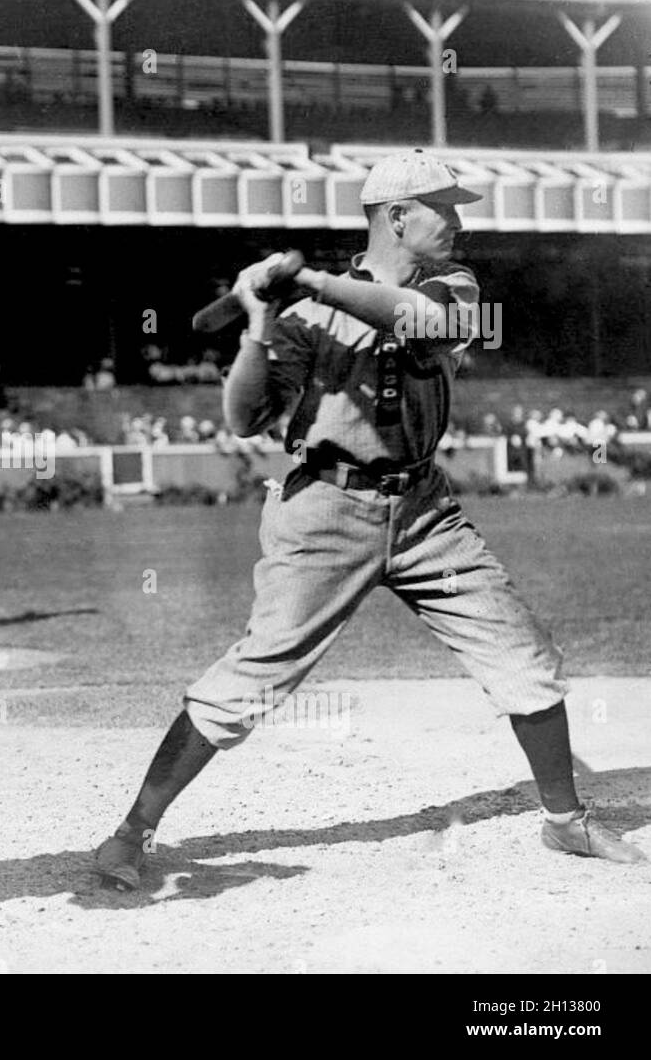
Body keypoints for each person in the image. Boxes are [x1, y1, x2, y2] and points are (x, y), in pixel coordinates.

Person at [92, 150, 645, 890]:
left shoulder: (451, 284)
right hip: (324, 510)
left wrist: (312, 280)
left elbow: (422, 322)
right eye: (442, 208)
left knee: (522, 653)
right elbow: (246, 415)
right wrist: (259, 323)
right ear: (396, 216)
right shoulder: (304, 315)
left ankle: (566, 820)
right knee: (253, 676)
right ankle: (132, 831)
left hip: (424, 510)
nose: (456, 221)